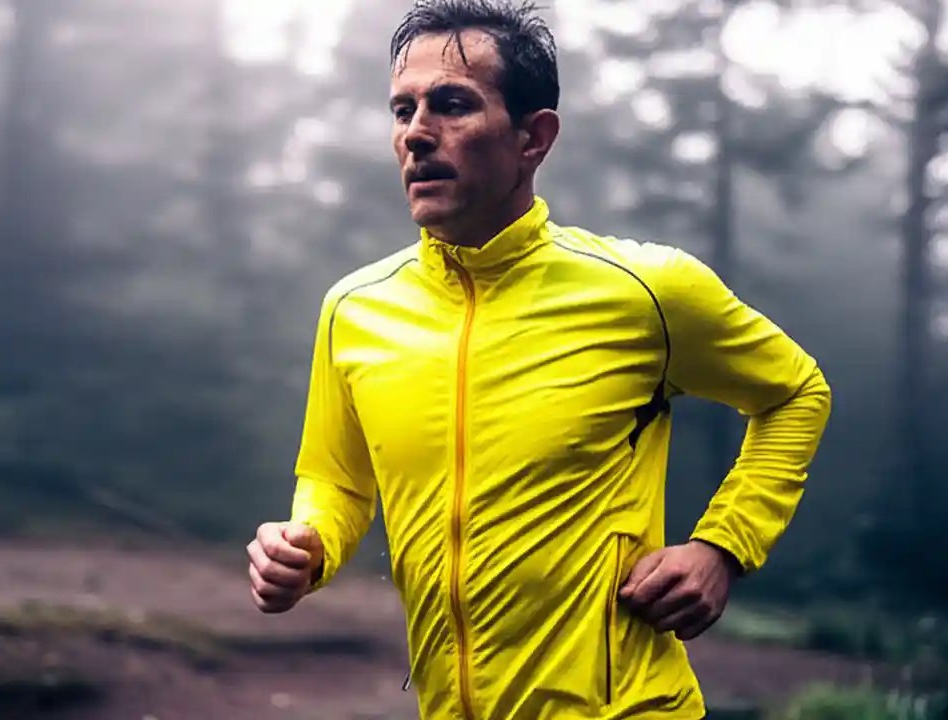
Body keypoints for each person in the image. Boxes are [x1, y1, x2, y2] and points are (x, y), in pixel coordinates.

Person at [246, 1, 832, 718]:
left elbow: (795, 392)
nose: (417, 134)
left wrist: (723, 547)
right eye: (402, 110)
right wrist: (306, 544)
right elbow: (335, 479)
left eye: (452, 105)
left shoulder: (646, 291)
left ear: (534, 137)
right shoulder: (355, 309)